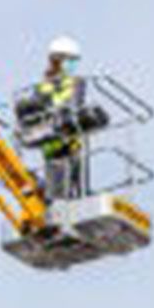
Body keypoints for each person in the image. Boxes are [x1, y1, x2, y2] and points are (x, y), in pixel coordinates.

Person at [33, 35, 87, 200]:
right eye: (69, 60)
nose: (71, 64)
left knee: (73, 190)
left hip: (69, 142)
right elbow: (37, 110)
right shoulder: (42, 86)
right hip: (52, 145)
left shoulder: (75, 82)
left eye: (73, 60)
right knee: (56, 194)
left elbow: (72, 105)